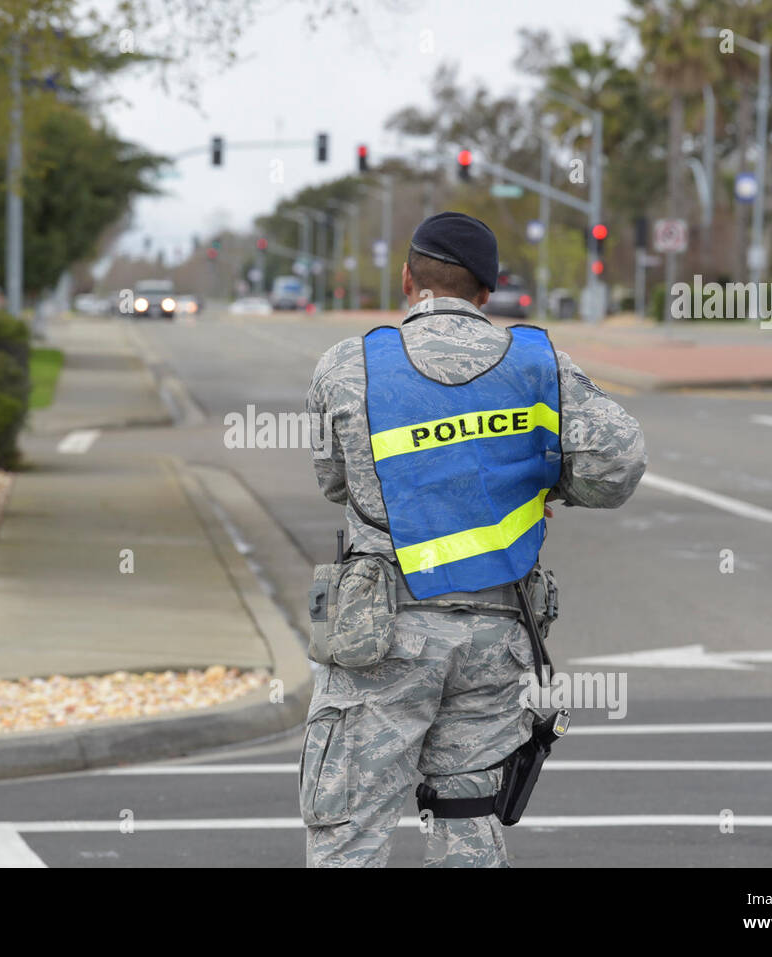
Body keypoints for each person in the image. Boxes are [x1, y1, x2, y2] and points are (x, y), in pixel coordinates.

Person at [300, 211, 646, 867]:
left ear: (408, 279)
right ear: (488, 290)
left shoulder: (349, 365)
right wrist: (548, 484)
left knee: (348, 826)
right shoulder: (540, 365)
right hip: (496, 634)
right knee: (467, 819)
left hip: (381, 632)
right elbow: (619, 466)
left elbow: (333, 482)